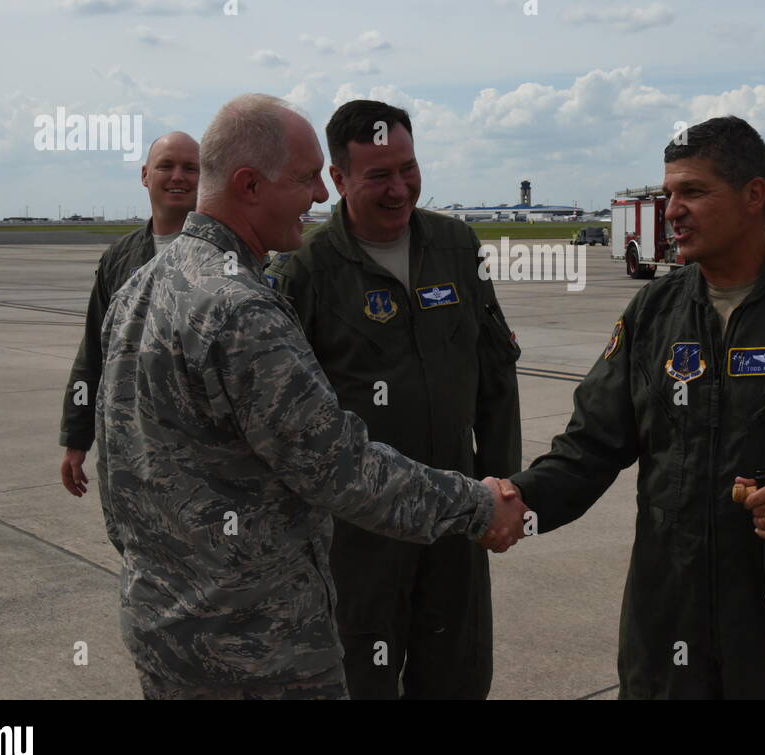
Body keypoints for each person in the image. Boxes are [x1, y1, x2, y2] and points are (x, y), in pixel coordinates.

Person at [93, 94, 527, 699]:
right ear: (248, 185)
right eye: (304, 180)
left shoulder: (142, 285)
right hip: (258, 644)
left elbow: (115, 471)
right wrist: (479, 505)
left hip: (170, 625)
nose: (320, 196)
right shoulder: (240, 308)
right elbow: (337, 465)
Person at [499, 116, 765, 698]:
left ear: (754, 196)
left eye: (694, 192)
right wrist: (519, 501)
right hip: (667, 627)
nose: (672, 210)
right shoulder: (653, 313)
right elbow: (589, 449)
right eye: (668, 194)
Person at [267, 99, 521, 699]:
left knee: (458, 674)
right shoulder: (306, 270)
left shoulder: (457, 247)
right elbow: (281, 417)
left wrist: (506, 483)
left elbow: (495, 371)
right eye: (379, 175)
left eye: (407, 168)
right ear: (338, 180)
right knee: (361, 678)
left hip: (458, 513)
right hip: (359, 532)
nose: (400, 188)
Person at [59, 131, 199, 497]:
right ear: (144, 175)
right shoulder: (118, 259)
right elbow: (92, 354)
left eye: (191, 168)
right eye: (166, 166)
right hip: (130, 449)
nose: (178, 176)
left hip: (202, 456)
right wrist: (76, 438)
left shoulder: (227, 255)